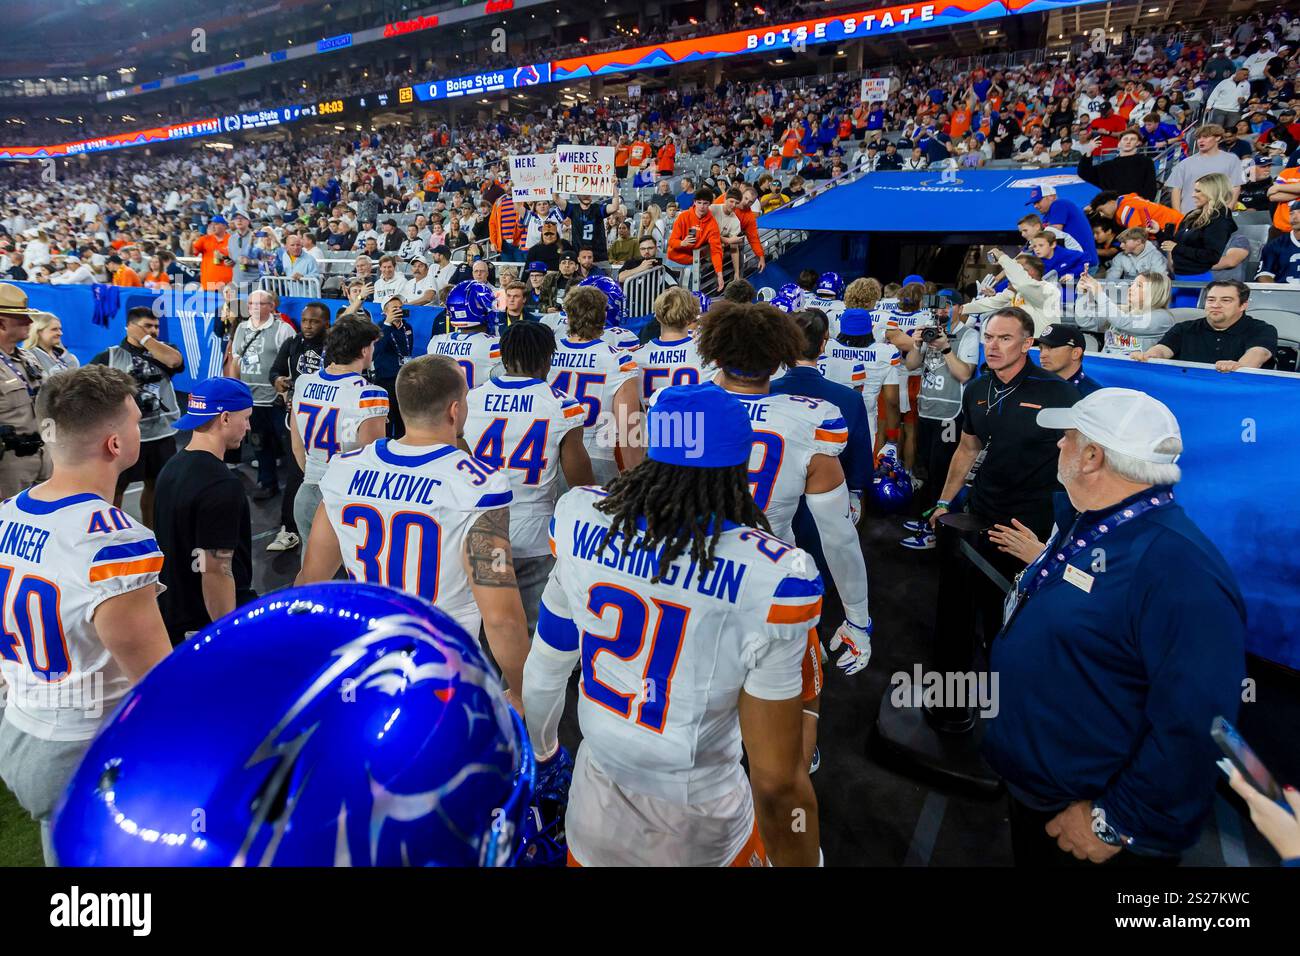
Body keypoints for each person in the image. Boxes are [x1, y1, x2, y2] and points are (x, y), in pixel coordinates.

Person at [522, 383, 821, 867]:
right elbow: (778, 783)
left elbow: (545, 669)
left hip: (593, 812)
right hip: (701, 827)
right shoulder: (777, 575)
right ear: (737, 463)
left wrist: (543, 754)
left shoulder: (579, 518)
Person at [985, 389, 1246, 865]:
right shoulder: (1092, 523)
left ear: (1091, 456)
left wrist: (1116, 821)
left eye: (1066, 437)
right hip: (1043, 785)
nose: (1057, 446)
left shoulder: (1180, 570)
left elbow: (1199, 723)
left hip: (1086, 819)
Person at [0, 365, 171, 864]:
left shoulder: (8, 512)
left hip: (21, 723)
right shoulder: (112, 540)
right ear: (115, 444)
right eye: (136, 422)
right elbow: (156, 679)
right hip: (84, 743)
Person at [696, 301, 872, 773]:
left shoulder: (682, 402)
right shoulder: (812, 417)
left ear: (714, 353)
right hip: (774, 577)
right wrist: (857, 616)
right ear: (779, 358)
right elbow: (838, 537)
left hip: (695, 572)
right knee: (789, 699)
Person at [296, 354, 530, 705]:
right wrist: (523, 692)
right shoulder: (477, 484)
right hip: (441, 673)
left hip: (366, 660)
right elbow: (502, 619)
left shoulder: (343, 469)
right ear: (455, 410)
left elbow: (311, 581)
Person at [463, 322, 594, 634]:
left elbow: (459, 464)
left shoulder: (471, 399)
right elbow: (580, 481)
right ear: (547, 358)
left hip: (479, 527)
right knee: (532, 630)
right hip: (533, 532)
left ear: (504, 357)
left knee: (486, 625)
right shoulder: (562, 404)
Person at [153, 377, 255, 645]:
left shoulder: (172, 467)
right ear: (224, 418)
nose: (248, 426)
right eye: (245, 418)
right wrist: (226, 634)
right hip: (202, 621)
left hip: (173, 611)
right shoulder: (221, 484)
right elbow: (215, 571)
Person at [289, 318, 389, 555]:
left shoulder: (304, 382)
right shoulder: (369, 393)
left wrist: (315, 474)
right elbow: (372, 459)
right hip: (346, 498)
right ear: (364, 350)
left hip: (308, 489)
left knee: (311, 577)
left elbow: (296, 445)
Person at [89, 306, 184, 527]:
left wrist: (146, 339)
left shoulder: (164, 351)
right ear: (129, 327)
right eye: (146, 326)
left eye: (156, 326)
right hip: (126, 435)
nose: (153, 331)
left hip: (161, 434)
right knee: (116, 488)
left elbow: (175, 362)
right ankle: (112, 535)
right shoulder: (110, 356)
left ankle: (152, 531)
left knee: (157, 485)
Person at [898, 302, 982, 549]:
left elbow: (965, 374)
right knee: (927, 468)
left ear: (958, 308)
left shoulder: (968, 335)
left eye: (946, 307)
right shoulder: (928, 331)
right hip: (927, 410)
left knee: (942, 470)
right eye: (936, 308)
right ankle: (926, 519)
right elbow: (911, 365)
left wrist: (946, 348)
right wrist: (916, 344)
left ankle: (937, 529)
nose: (940, 313)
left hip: (950, 413)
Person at [547, 286, 642, 485]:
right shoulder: (618, 359)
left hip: (549, 455)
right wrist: (637, 480)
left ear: (568, 314)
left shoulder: (547, 353)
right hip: (597, 454)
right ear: (603, 314)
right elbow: (628, 426)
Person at [229, 289, 295, 500]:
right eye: (250, 304)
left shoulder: (282, 329)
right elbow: (236, 360)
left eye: (259, 304)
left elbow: (291, 364)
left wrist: (287, 393)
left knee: (288, 444)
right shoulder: (241, 328)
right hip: (251, 399)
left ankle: (295, 486)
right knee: (259, 443)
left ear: (271, 306)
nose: (253, 308)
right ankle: (267, 483)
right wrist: (235, 388)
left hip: (276, 400)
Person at [1132, 279, 1277, 372]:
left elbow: (1257, 354)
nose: (1216, 305)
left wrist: (1238, 366)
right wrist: (1149, 356)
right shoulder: (1184, 328)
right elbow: (1162, 350)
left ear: (1243, 305)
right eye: (1211, 300)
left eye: (1226, 300)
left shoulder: (1263, 329)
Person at [0, 284, 52, 499]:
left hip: (44, 459)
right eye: (22, 318)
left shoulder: (29, 358)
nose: (30, 322)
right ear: (1, 323)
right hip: (8, 468)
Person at [1075, 271, 1176, 356]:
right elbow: (1085, 322)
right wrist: (1082, 293)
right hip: (1107, 366)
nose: (1131, 288)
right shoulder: (1121, 310)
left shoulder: (1163, 318)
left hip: (1135, 370)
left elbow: (1122, 321)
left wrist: (1098, 292)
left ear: (1154, 291)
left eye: (1139, 285)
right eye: (1132, 284)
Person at [637, 287, 710, 400]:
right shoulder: (707, 355)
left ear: (657, 316)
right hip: (696, 417)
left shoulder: (635, 356)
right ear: (691, 317)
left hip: (649, 417)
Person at [1161, 173, 1238, 278]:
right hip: (1178, 276)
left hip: (1197, 278)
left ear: (1212, 193)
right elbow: (1174, 244)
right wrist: (1158, 233)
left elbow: (1212, 256)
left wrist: (1177, 248)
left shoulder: (1219, 220)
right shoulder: (1192, 215)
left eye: (1198, 191)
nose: (1193, 195)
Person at [1165, 125, 1244, 213]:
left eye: (1205, 137)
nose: (1201, 141)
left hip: (1218, 214)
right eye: (1198, 138)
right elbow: (1176, 189)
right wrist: (1178, 214)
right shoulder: (1185, 163)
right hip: (1188, 214)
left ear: (1217, 138)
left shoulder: (1231, 160)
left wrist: (1229, 209)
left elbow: (1235, 186)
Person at [666, 188, 726, 293]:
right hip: (673, 261)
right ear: (694, 202)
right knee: (670, 295)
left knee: (689, 296)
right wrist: (682, 243)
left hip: (691, 263)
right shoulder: (683, 217)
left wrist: (719, 273)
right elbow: (671, 242)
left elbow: (716, 250)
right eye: (699, 203)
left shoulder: (712, 224)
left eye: (705, 203)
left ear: (710, 204)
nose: (702, 206)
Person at [1026, 184, 1098, 266]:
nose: (1035, 206)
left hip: (1083, 263)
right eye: (1034, 203)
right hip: (1076, 262)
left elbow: (1052, 234)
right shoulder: (1047, 215)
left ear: (1051, 197)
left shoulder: (1059, 204)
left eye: (1038, 201)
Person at [1077, 128, 1158, 199]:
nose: (1128, 141)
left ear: (1138, 143)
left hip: (1138, 207)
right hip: (1114, 208)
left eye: (1132, 139)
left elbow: (1150, 187)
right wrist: (1089, 151)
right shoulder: (1107, 166)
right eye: (1125, 139)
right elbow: (1084, 173)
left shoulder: (1146, 162)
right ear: (1119, 143)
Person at [1036, 323, 1101, 395]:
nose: (1042, 355)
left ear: (1075, 353)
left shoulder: (1094, 396)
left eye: (1051, 347)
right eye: (1041, 348)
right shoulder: (1033, 387)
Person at [1256, 199, 1300, 283]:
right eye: (1291, 213)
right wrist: (1277, 293)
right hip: (1284, 294)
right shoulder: (1275, 244)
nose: (1294, 217)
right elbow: (1264, 275)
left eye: (1299, 213)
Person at [24, 312, 79, 378]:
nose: (60, 333)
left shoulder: (62, 354)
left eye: (60, 329)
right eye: (54, 329)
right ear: (38, 332)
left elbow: (76, 374)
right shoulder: (28, 357)